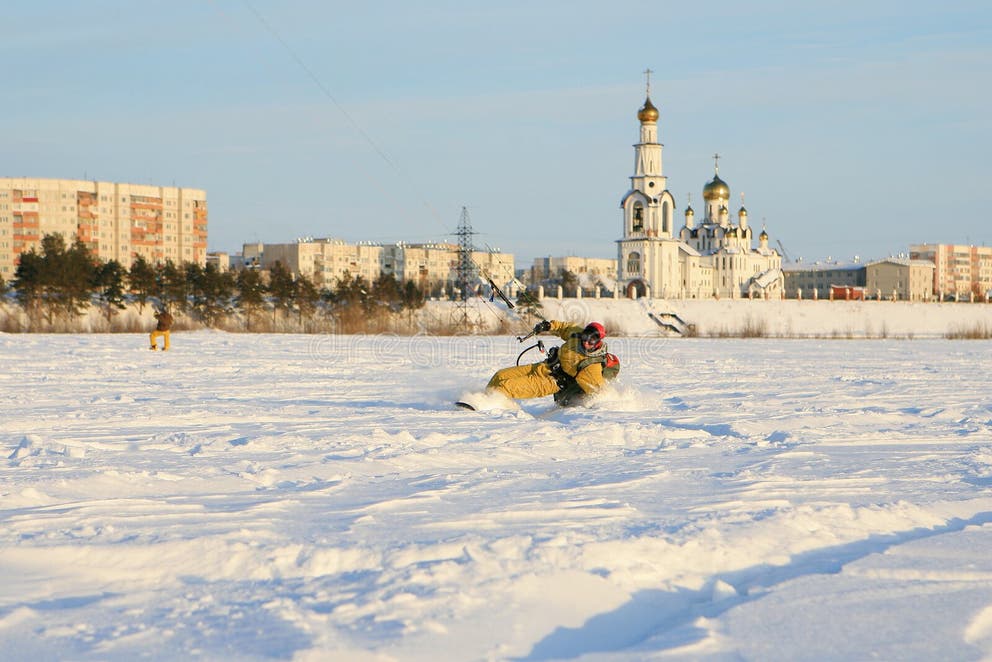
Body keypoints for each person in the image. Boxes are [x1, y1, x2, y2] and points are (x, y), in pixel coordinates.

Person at [487, 320, 620, 406]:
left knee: (505, 388)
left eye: (591, 341)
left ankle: (484, 412)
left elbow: (600, 393)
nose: (586, 342)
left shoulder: (591, 367)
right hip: (543, 367)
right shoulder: (576, 335)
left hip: (551, 382)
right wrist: (549, 326)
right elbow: (565, 328)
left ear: (599, 342)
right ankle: (481, 399)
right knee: (500, 376)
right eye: (585, 337)